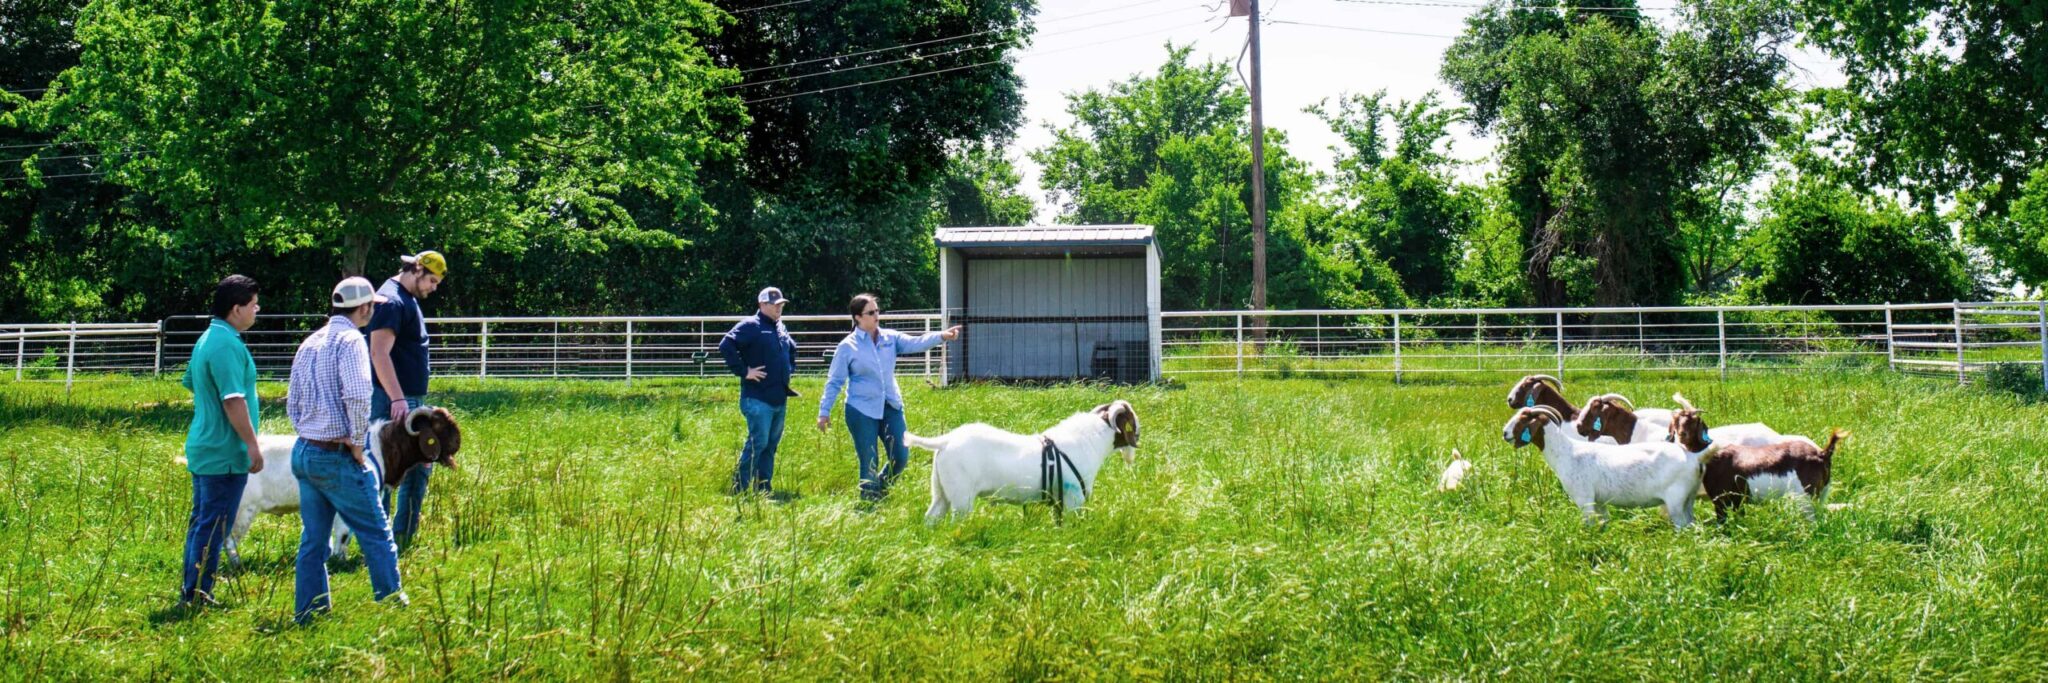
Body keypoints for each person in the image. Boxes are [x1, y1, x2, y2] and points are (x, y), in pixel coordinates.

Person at [287, 277, 405, 624]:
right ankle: (392, 605)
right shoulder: (352, 340)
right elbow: (356, 395)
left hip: (305, 450)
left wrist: (308, 431)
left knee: (313, 540)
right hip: (337, 454)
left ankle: (309, 610)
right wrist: (356, 443)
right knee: (377, 532)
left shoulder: (310, 341)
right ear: (365, 307)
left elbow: (292, 401)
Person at [817, 293, 961, 501]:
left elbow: (916, 342)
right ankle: (869, 500)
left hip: (890, 406)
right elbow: (835, 381)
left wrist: (942, 336)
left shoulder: (890, 338)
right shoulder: (848, 347)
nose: (877, 315)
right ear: (858, 317)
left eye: (877, 311)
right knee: (869, 459)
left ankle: (882, 486)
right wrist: (824, 412)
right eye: (871, 312)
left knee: (901, 456)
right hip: (861, 410)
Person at [176, 275, 263, 610]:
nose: (257, 309)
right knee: (213, 526)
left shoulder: (208, 338)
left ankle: (192, 589)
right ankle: (196, 594)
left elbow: (191, 382)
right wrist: (252, 444)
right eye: (253, 304)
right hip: (224, 452)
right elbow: (232, 399)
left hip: (205, 444)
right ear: (236, 308)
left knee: (202, 521)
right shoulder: (227, 344)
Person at [364, 250, 445, 552]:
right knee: (387, 466)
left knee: (419, 463)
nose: (433, 288)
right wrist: (398, 398)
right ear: (418, 270)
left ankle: (401, 536)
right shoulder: (392, 301)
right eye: (432, 281)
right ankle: (382, 540)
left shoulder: (404, 299)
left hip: (407, 398)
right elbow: (378, 353)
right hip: (393, 399)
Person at [718, 286, 799, 498]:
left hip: (778, 397)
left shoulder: (780, 327)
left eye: (781, 304)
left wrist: (789, 369)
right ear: (762, 305)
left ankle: (763, 487)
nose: (778, 308)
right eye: (774, 305)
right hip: (757, 398)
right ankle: (740, 488)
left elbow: (791, 348)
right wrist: (744, 371)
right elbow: (726, 345)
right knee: (758, 442)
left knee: (771, 445)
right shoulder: (751, 326)